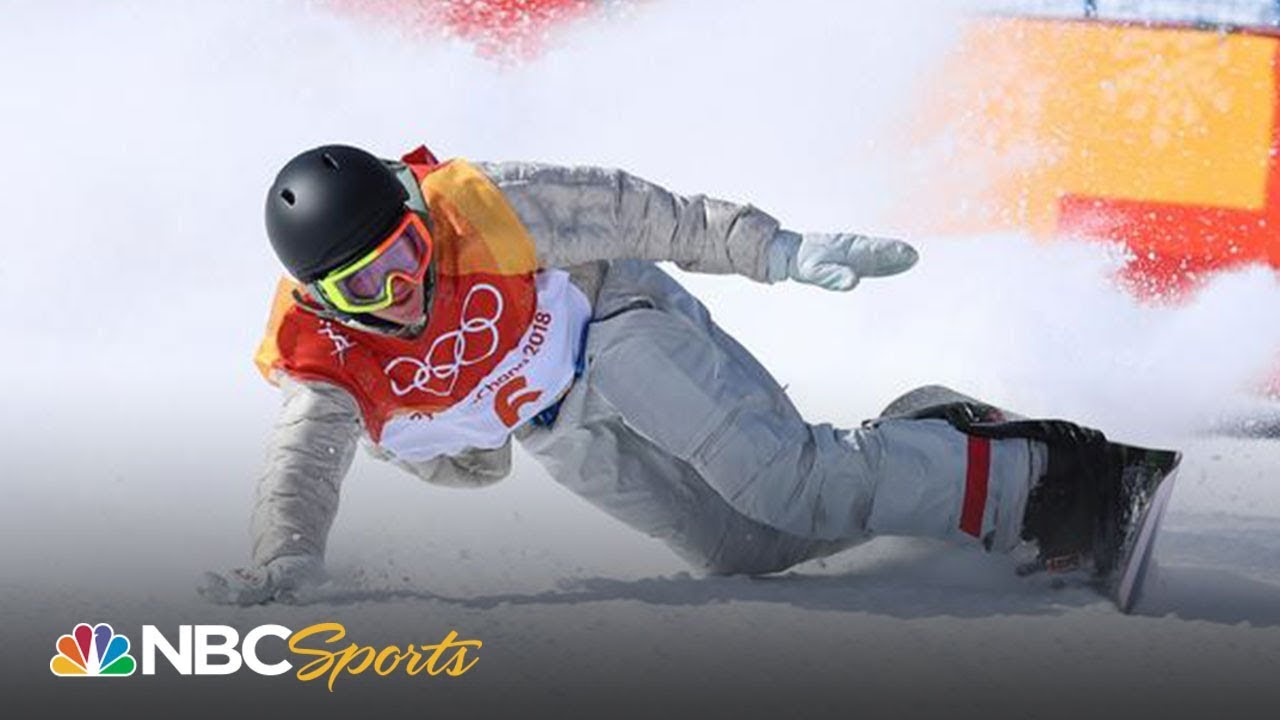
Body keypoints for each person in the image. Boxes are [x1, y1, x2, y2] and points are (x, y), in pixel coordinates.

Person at [198, 143, 1137, 605]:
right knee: (747, 549)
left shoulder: (479, 210)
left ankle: (1062, 482)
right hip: (554, 423)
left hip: (613, 326)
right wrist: (287, 557)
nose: (400, 284)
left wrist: (779, 250)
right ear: (322, 296)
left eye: (404, 249)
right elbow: (301, 467)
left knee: (789, 481)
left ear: (415, 214)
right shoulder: (327, 362)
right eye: (365, 282)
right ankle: (938, 433)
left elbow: (643, 213)